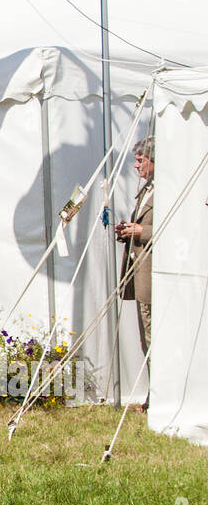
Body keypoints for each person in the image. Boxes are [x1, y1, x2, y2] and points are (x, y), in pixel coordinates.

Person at [117, 136, 155, 370]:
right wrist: (127, 230)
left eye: (141, 160)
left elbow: (179, 227)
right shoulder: (147, 188)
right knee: (145, 337)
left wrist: (142, 231)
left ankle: (159, 396)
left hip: (153, 276)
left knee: (153, 336)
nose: (136, 165)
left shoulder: (167, 189)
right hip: (140, 274)